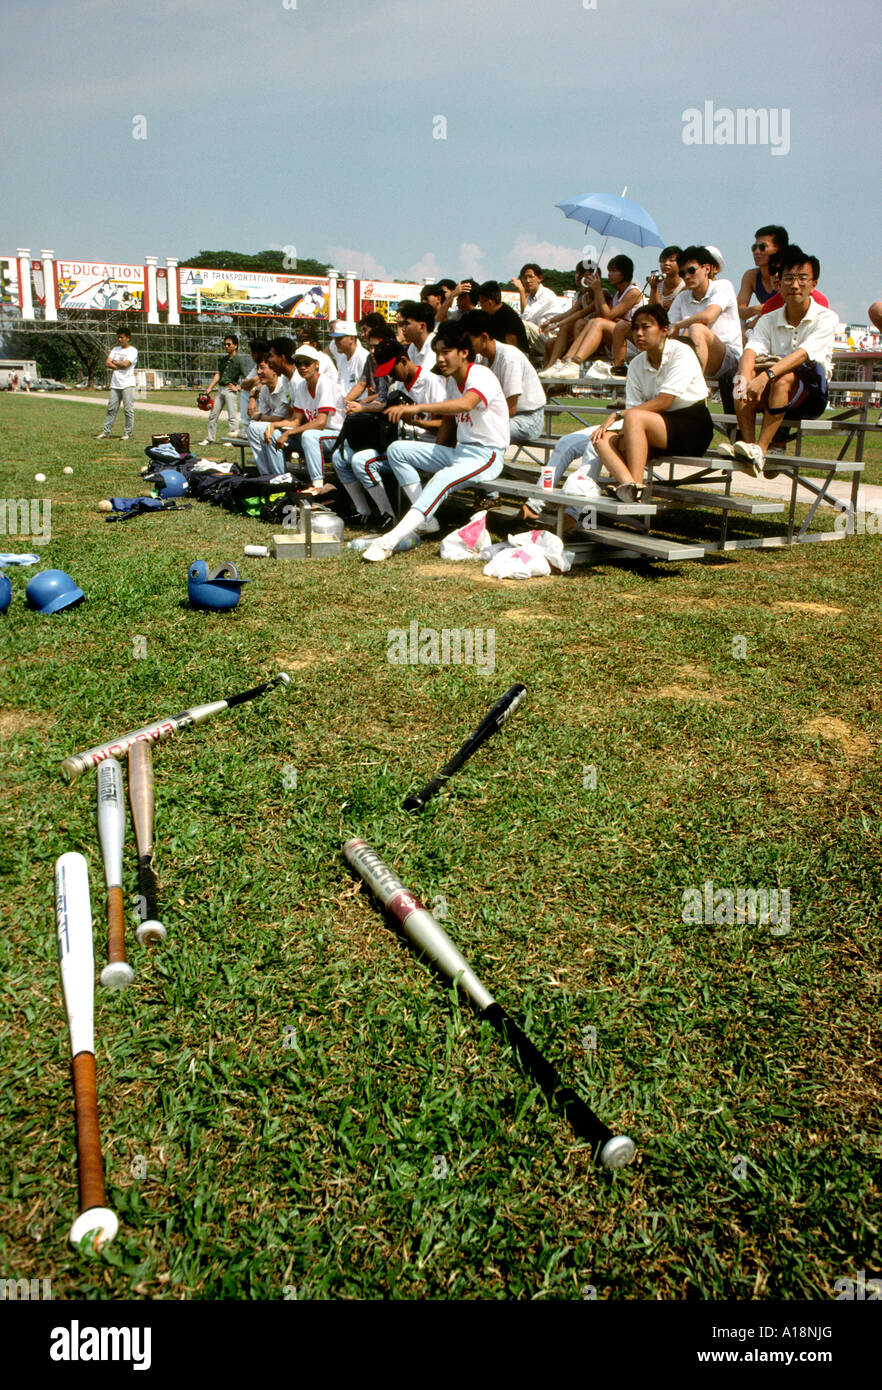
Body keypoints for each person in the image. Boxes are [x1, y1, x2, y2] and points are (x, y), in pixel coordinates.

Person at [361, 321, 509, 562]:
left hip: (487, 456)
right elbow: (450, 421)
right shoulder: (451, 381)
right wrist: (437, 452)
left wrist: (417, 408)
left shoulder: (480, 374)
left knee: (441, 478)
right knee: (398, 450)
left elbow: (465, 404)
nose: (440, 358)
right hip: (461, 452)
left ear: (464, 353)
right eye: (438, 352)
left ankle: (389, 540)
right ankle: (427, 520)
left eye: (446, 352)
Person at [724, 247, 838, 477]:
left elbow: (803, 355)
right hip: (773, 390)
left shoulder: (826, 318)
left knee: (782, 377)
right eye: (788, 278)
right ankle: (748, 447)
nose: (794, 285)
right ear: (779, 283)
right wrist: (745, 377)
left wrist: (765, 376)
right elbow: (751, 350)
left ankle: (762, 450)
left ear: (813, 284)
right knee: (739, 377)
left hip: (811, 394)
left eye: (802, 279)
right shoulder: (768, 319)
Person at [589, 304, 714, 502]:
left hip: (692, 426)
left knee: (634, 417)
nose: (639, 333)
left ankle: (636, 485)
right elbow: (635, 408)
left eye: (646, 327)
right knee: (601, 438)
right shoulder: (637, 364)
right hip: (655, 425)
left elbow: (664, 402)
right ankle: (629, 485)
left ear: (665, 330)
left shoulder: (682, 352)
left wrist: (618, 414)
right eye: (635, 328)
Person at [335, 339, 446, 528]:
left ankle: (416, 518)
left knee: (362, 461)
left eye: (392, 369)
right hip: (399, 447)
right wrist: (363, 409)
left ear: (403, 360)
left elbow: (447, 424)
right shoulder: (399, 386)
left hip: (427, 448)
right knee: (343, 456)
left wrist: (417, 421)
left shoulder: (432, 382)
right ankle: (384, 515)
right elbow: (386, 408)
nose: (391, 375)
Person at [540, 256, 642, 380]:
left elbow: (606, 317)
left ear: (625, 273)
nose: (610, 275)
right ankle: (566, 362)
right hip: (615, 340)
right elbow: (600, 315)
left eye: (614, 271)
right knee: (592, 322)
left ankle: (575, 363)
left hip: (632, 342)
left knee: (595, 322)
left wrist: (598, 290)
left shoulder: (633, 292)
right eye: (609, 271)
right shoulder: (616, 295)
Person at [460, 309, 546, 442]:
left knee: (478, 430)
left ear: (484, 337)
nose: (465, 345)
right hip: (503, 416)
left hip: (528, 419)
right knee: (466, 426)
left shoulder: (509, 357)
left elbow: (511, 409)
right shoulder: (480, 358)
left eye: (469, 340)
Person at [268, 345, 344, 489]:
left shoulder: (325, 383)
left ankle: (317, 485)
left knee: (309, 435)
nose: (302, 367)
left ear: (317, 364)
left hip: (335, 435)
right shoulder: (302, 386)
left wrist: (289, 432)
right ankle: (280, 480)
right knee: (275, 434)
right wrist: (274, 425)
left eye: (307, 363)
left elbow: (321, 422)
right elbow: (296, 421)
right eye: (298, 363)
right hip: (318, 435)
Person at [667, 247, 743, 379]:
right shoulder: (682, 297)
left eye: (691, 270)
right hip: (696, 355)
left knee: (696, 328)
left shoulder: (723, 286)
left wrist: (679, 325)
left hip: (728, 359)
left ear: (707, 269)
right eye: (682, 274)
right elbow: (668, 327)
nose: (687, 276)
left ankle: (694, 386)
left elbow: (708, 316)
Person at [246, 357, 295, 476]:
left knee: (264, 430)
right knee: (254, 427)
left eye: (262, 368)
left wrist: (259, 416)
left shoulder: (284, 386)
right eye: (257, 368)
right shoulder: (264, 390)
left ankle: (278, 476)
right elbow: (262, 416)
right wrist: (259, 416)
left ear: (274, 371)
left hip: (289, 428)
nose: (258, 372)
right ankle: (266, 474)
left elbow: (278, 418)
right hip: (277, 426)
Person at [199, 334, 250, 446]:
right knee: (213, 415)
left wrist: (238, 388)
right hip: (221, 389)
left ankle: (232, 439)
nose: (226, 346)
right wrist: (209, 388)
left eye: (229, 344)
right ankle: (210, 438)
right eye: (225, 344)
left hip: (230, 390)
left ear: (235, 346)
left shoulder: (239, 360)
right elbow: (218, 374)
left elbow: (247, 377)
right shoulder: (223, 360)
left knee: (232, 416)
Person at [737, 225, 789, 330]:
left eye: (762, 247)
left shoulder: (787, 276)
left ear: (778, 249)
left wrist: (751, 324)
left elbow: (786, 309)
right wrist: (754, 310)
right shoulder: (751, 276)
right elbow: (737, 310)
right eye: (754, 247)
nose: (756, 252)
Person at [96, 329, 138, 440]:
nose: (119, 339)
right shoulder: (115, 349)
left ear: (128, 338)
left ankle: (127, 433)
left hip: (127, 383)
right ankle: (106, 432)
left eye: (122, 337)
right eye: (118, 337)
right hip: (115, 383)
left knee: (128, 410)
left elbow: (125, 364)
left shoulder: (132, 351)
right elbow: (107, 363)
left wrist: (114, 362)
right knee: (111, 409)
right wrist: (118, 364)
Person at [476, 281, 530, 353]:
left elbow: (512, 350)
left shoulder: (508, 317)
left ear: (490, 302)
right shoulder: (491, 315)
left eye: (481, 303)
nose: (481, 306)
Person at [328, 320, 369, 398]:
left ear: (351, 339)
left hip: (360, 405)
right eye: (335, 339)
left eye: (339, 338)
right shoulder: (342, 358)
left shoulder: (363, 357)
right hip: (344, 404)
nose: (335, 342)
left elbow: (368, 388)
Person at [397, 300, 437, 371]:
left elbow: (422, 378)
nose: (403, 329)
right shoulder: (413, 346)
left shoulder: (434, 347)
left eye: (407, 324)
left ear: (422, 326)